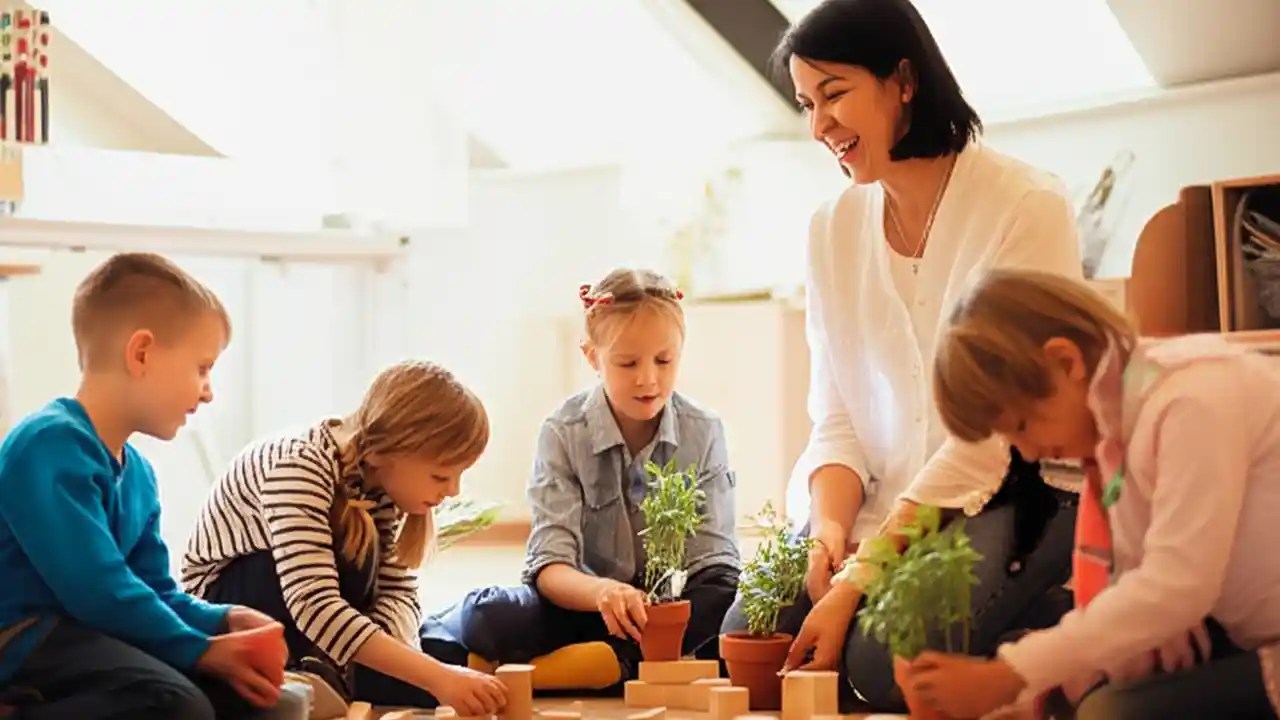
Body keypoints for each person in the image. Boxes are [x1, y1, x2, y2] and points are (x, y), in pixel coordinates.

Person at [719, 0, 1086, 711]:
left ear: (904, 81)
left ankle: (1062, 624)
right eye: (805, 103)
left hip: (1020, 492)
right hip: (884, 502)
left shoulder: (1024, 205)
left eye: (834, 95)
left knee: (877, 666)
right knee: (752, 637)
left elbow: (988, 444)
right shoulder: (831, 229)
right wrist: (828, 530)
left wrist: (856, 581)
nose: (819, 126)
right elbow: (836, 418)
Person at [905, 268, 1280, 720]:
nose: (1027, 451)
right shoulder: (1123, 430)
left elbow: (1176, 587)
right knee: (1086, 697)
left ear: (1066, 362)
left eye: (1022, 425)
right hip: (1250, 634)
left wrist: (1012, 676)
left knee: (1108, 713)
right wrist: (1029, 695)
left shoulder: (1190, 401)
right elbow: (1126, 598)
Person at [0, 252, 307, 719]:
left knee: (272, 705)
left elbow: (154, 590)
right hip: (22, 638)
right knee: (173, 705)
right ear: (141, 353)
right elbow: (98, 591)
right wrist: (200, 650)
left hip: (87, 633)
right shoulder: (49, 445)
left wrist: (220, 621)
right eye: (202, 368)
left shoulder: (139, 475)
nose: (208, 391)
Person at [426, 269, 740, 692]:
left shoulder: (704, 430)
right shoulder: (562, 432)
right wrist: (604, 594)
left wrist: (660, 608)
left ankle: (603, 665)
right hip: (584, 606)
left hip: (669, 615)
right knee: (489, 618)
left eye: (664, 360)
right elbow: (550, 566)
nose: (648, 378)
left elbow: (715, 564)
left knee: (731, 603)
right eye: (627, 363)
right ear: (592, 356)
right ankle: (626, 664)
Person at [180, 360, 508, 717]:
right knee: (434, 673)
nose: (453, 491)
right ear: (390, 451)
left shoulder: (383, 482)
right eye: (440, 475)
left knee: (442, 665)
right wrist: (434, 676)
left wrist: (425, 670)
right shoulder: (299, 466)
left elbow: (398, 592)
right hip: (238, 609)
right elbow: (314, 603)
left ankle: (335, 674)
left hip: (312, 622)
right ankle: (308, 675)